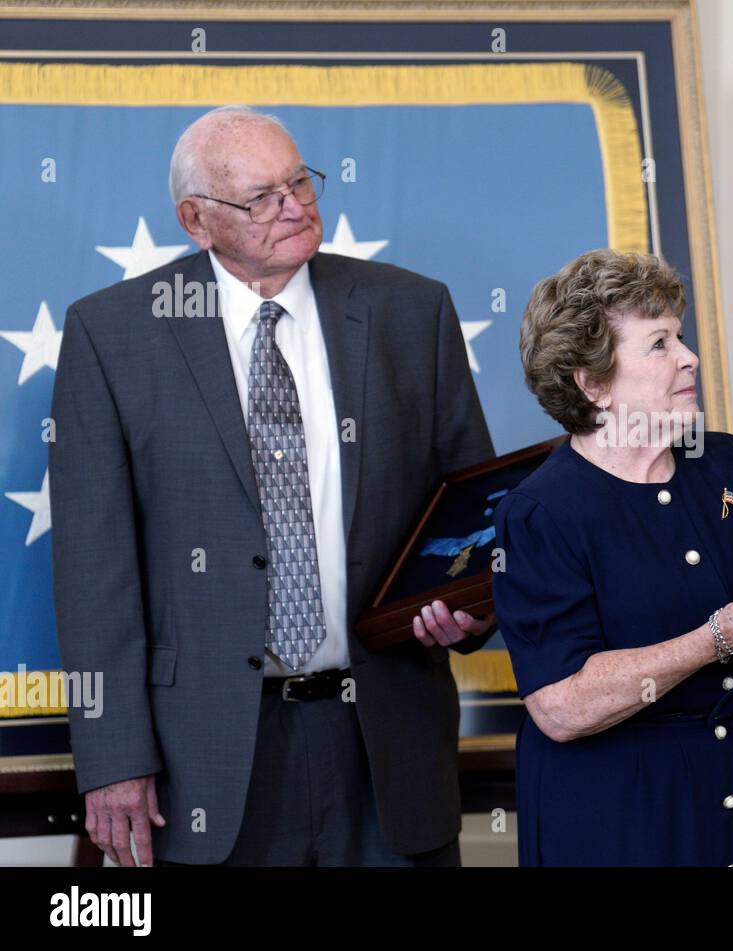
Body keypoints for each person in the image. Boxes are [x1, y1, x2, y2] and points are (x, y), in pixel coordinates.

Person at [50, 106, 494, 866]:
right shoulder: (112, 333)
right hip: (208, 756)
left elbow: (470, 511)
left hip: (385, 744)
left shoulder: (410, 311)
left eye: (300, 181)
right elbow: (94, 573)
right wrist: (114, 756)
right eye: (261, 197)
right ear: (196, 219)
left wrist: (467, 608)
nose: (296, 205)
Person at [492, 249, 733, 866]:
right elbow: (560, 706)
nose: (689, 357)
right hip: (616, 810)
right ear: (593, 382)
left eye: (679, 336)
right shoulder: (542, 513)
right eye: (659, 344)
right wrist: (716, 638)